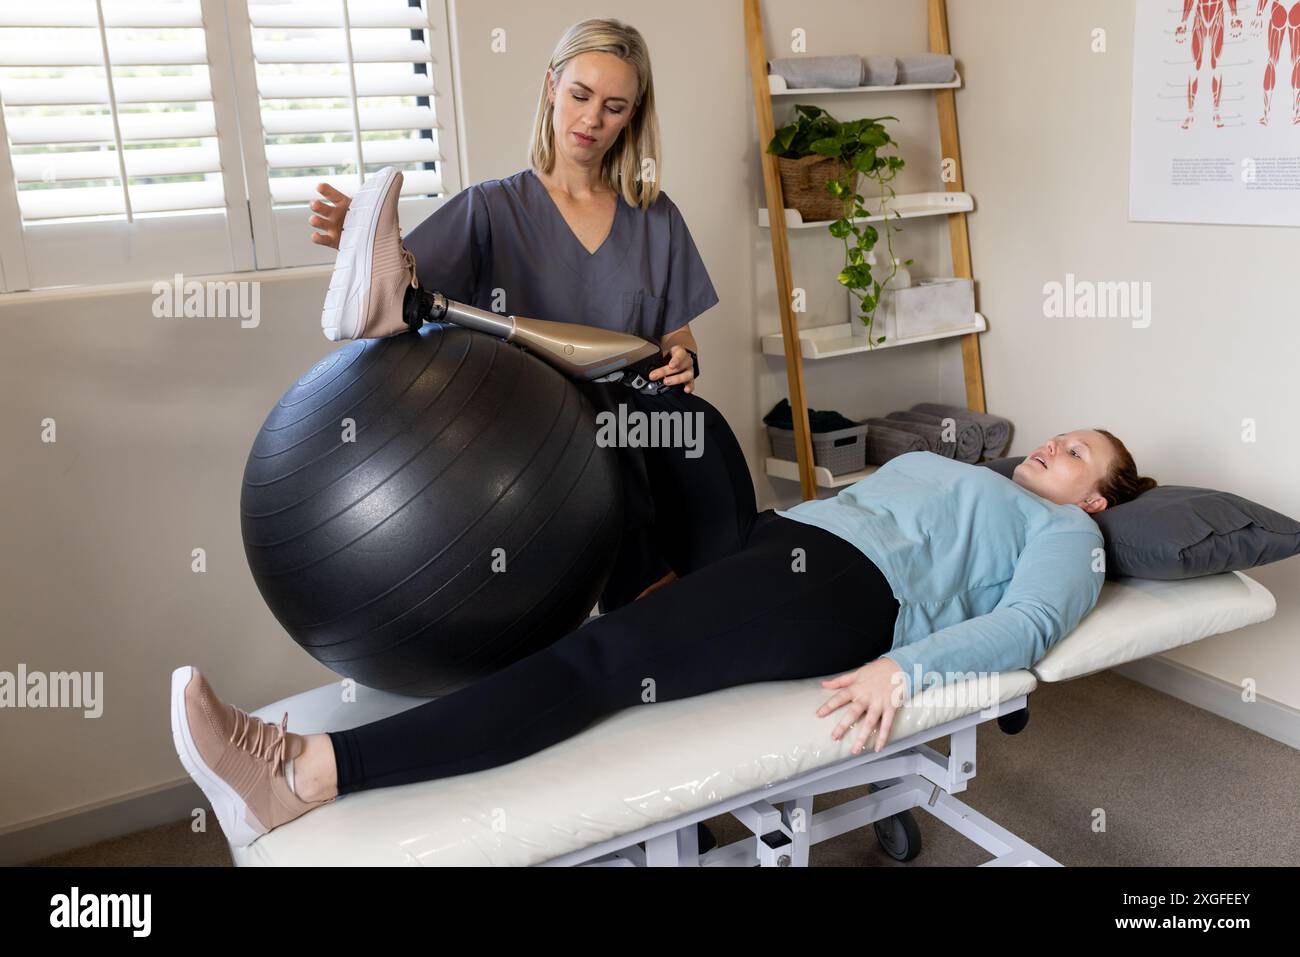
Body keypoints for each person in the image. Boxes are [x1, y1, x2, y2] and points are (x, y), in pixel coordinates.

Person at [172, 425, 1158, 848]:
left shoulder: (1066, 534)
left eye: (1077, 453)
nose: (1052, 446)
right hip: (786, 541)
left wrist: (902, 670)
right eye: (1059, 434)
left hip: (846, 594)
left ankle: (305, 773)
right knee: (644, 459)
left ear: (1099, 494)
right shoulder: (976, 471)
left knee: (601, 663)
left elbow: (1025, 630)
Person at [311, 17, 716, 612]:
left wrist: (686, 357)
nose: (591, 121)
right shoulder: (491, 210)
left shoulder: (655, 217)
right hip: (523, 470)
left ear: (633, 114)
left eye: (614, 107)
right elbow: (408, 295)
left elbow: (677, 332)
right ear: (551, 86)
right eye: (579, 96)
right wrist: (364, 241)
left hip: (638, 458)